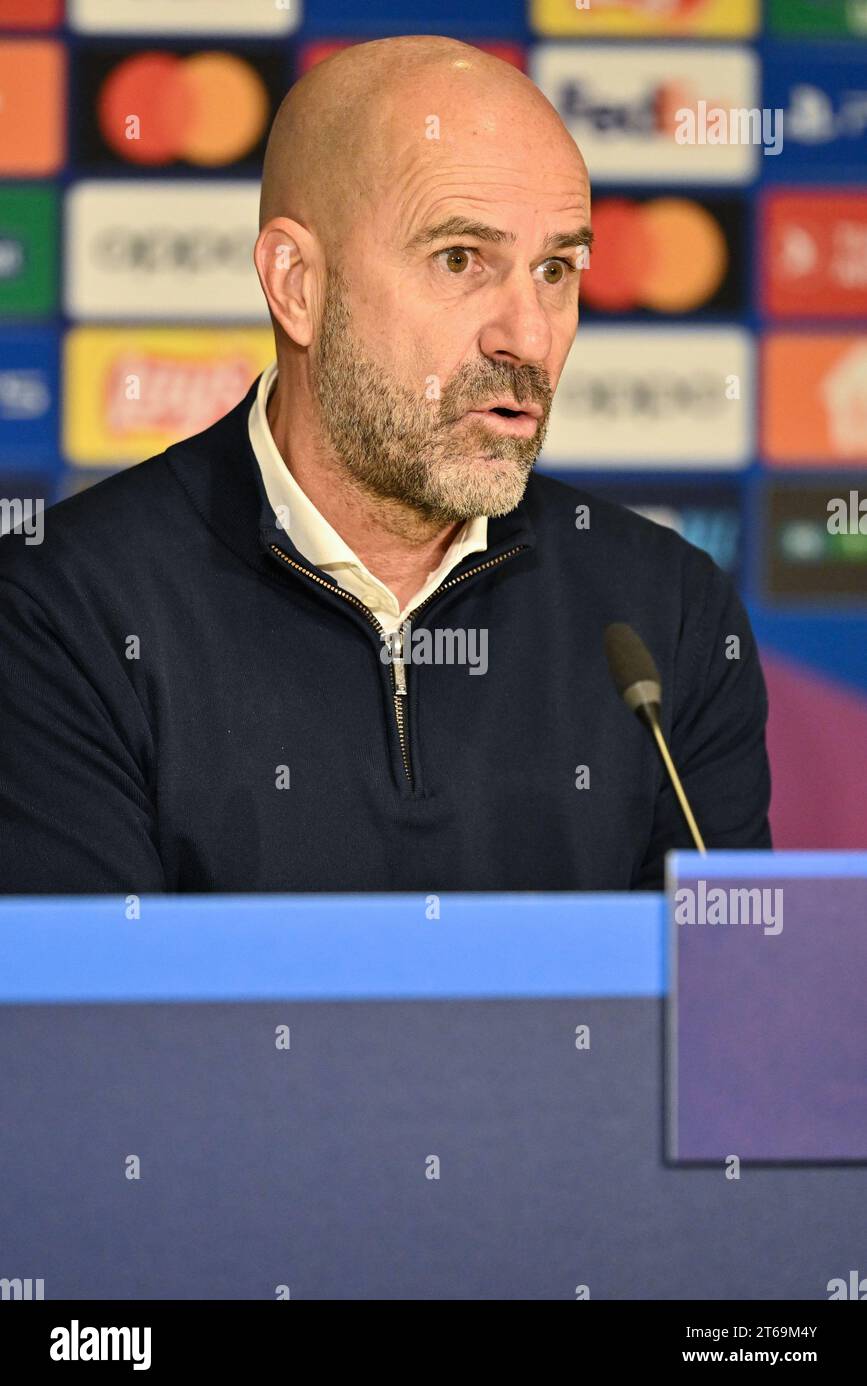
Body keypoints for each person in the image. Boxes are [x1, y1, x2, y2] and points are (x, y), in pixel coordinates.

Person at [0, 36, 770, 893]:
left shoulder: (663, 617)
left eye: (555, 268)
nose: (529, 334)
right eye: (459, 259)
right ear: (297, 284)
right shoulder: (62, 612)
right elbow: (94, 1020)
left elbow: (728, 1010)